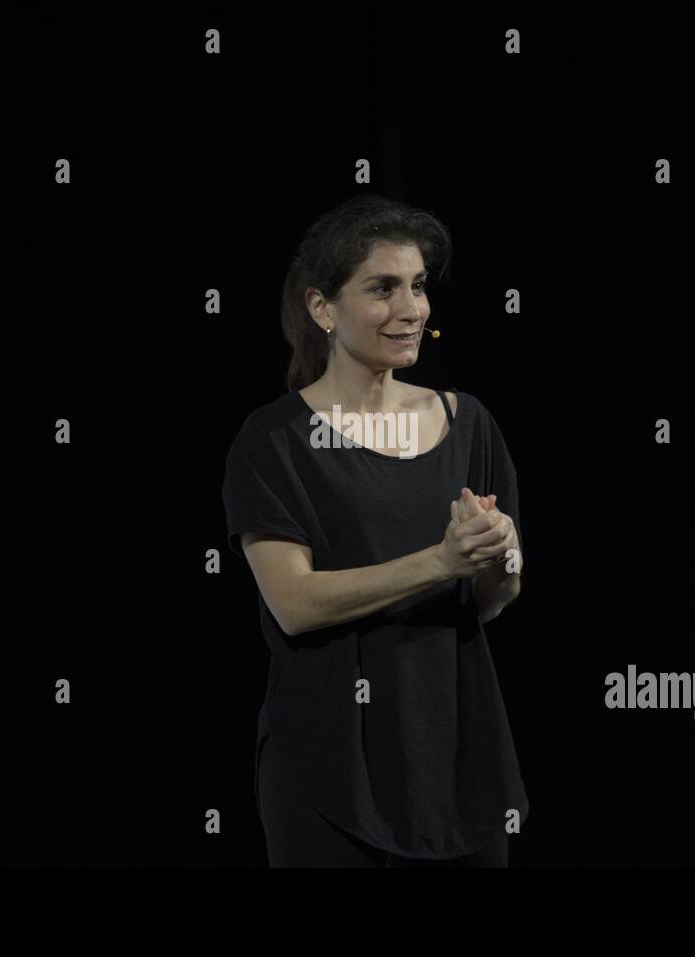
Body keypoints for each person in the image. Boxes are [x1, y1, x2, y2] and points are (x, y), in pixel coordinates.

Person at [222, 194, 528, 867]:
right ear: (322, 307)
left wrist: (497, 555)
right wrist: (442, 559)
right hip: (328, 766)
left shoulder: (467, 422)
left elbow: (493, 598)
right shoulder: (272, 441)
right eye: (383, 288)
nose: (412, 308)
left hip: (453, 754)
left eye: (418, 286)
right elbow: (295, 605)